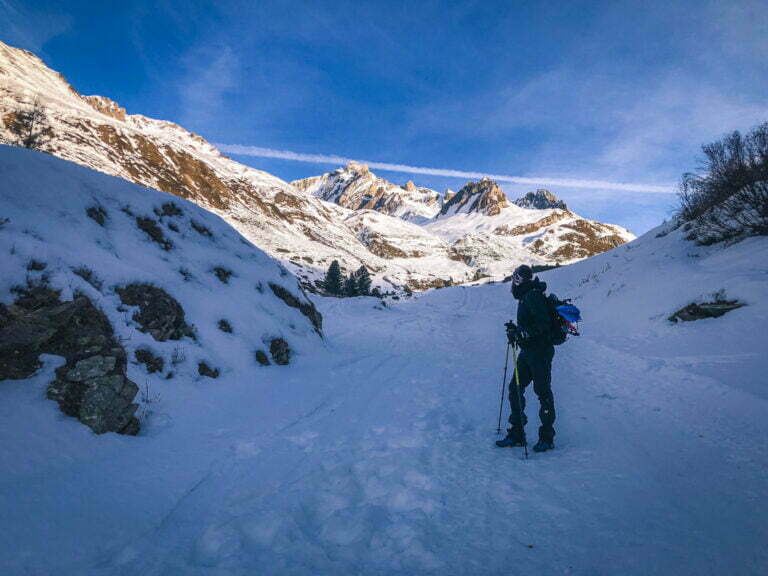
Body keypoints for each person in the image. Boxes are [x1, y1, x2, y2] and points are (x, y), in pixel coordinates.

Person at [496, 264, 556, 453]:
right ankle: (517, 433)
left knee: (543, 392)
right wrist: (516, 331)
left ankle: (547, 438)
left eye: (516, 279)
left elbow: (544, 324)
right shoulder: (525, 296)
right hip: (528, 351)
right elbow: (531, 324)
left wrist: (522, 333)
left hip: (540, 352)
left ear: (520, 281)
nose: (513, 282)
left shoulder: (532, 296)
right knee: (515, 388)